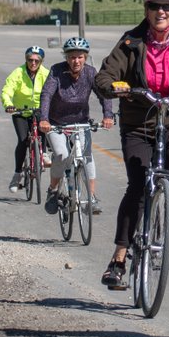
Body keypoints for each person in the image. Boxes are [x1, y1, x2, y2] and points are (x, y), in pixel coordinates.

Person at [93, 0, 169, 291]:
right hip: (139, 123)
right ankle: (119, 258)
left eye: (167, 6)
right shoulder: (130, 41)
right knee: (138, 185)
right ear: (145, 8)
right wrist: (113, 86)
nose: (160, 11)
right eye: (154, 5)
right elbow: (105, 75)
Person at [38, 36, 115, 215]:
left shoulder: (90, 72)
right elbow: (46, 95)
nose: (76, 61)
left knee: (87, 157)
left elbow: (103, 94)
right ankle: (53, 190)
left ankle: (92, 197)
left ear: (85, 58)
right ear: (66, 58)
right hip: (56, 124)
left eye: (80, 57)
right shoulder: (57, 71)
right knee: (61, 154)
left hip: (80, 122)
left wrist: (108, 115)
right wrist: (44, 119)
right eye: (72, 57)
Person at [0, 46, 51, 192]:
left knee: (44, 126)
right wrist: (8, 104)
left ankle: (43, 152)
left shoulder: (46, 74)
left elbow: (53, 91)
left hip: (39, 111)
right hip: (20, 111)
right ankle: (17, 174)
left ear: (41, 61)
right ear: (26, 60)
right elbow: (7, 90)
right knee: (23, 141)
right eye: (30, 60)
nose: (33, 63)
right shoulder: (18, 72)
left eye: (36, 60)